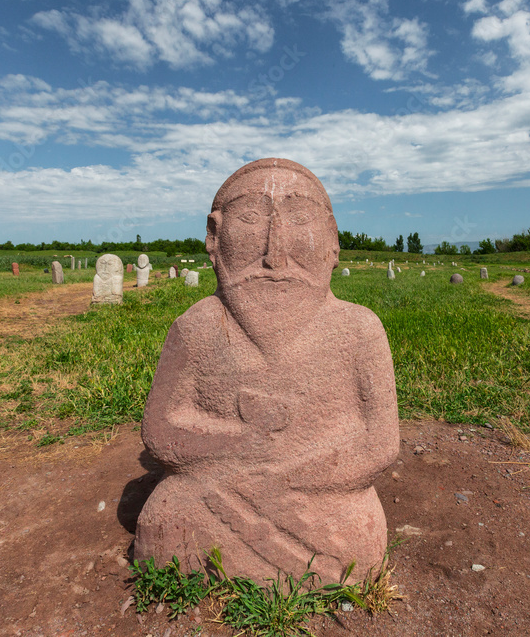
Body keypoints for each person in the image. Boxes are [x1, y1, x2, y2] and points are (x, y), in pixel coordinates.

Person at [135, 158, 399, 583]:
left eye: (300, 220)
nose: (275, 254)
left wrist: (287, 477)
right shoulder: (196, 327)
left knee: (356, 539)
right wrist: (241, 443)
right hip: (216, 492)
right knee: (168, 520)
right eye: (251, 218)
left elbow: (380, 443)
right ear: (214, 236)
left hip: (318, 502)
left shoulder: (358, 329)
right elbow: (160, 432)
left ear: (332, 241)